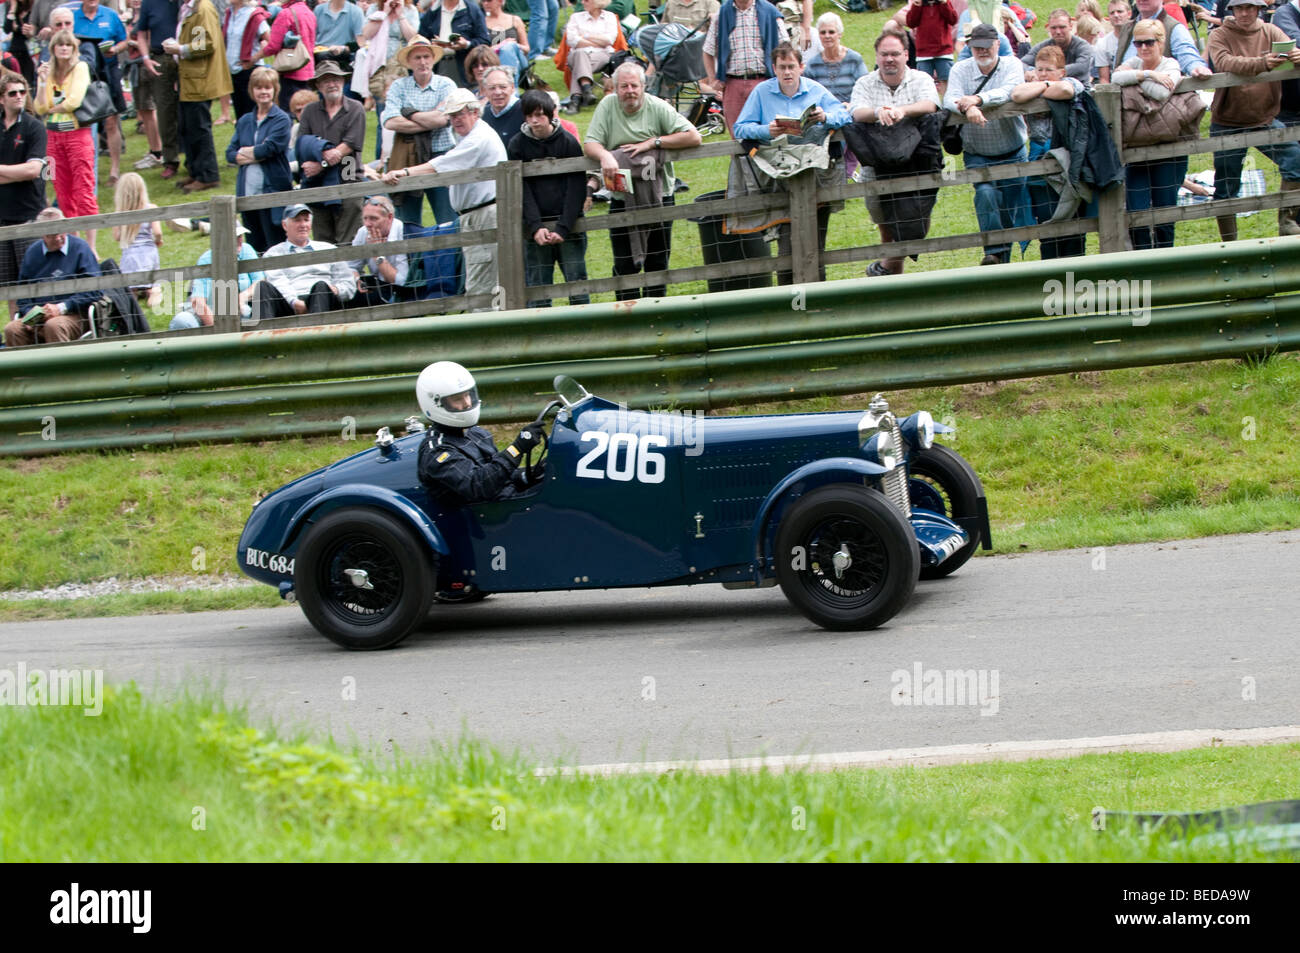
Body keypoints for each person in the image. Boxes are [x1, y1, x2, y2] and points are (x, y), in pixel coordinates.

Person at [733, 41, 850, 283]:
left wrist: (825, 116)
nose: (787, 72)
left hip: (815, 175)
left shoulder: (816, 90)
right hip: (779, 177)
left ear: (801, 67)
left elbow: (845, 115)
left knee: (816, 243)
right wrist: (768, 130)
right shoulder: (761, 92)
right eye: (782, 67)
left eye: (791, 67)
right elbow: (740, 128)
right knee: (787, 247)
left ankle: (818, 302)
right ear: (774, 68)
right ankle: (790, 302)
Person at [583, 61, 701, 299]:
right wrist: (605, 155)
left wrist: (653, 143)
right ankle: (628, 318)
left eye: (634, 85)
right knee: (624, 263)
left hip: (660, 196)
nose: (630, 91)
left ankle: (656, 315)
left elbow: (693, 136)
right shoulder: (607, 106)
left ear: (643, 86)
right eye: (624, 86)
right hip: (621, 197)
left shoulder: (657, 107)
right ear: (616, 89)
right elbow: (590, 143)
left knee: (657, 261)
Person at [383, 88, 504, 308]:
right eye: (452, 115)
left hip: (484, 214)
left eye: (461, 113)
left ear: (475, 112)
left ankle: (485, 332)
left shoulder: (478, 138)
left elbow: (443, 164)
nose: (456, 120)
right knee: (482, 277)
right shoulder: (471, 136)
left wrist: (407, 172)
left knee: (481, 281)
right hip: (476, 215)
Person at [849, 31, 942, 276]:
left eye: (895, 54)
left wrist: (901, 111)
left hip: (917, 161)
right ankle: (892, 275)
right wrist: (879, 111)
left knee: (916, 214)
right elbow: (857, 112)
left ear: (906, 55)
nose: (890, 59)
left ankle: (886, 266)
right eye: (884, 54)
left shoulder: (920, 78)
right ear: (877, 56)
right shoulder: (865, 83)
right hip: (877, 162)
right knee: (881, 216)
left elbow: (931, 104)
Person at [1206, 0, 1300, 240]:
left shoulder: (1270, 31)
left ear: (1259, 9)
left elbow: (1289, 49)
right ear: (1232, 11)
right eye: (1239, 8)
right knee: (1226, 186)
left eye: (1250, 7)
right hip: (1228, 123)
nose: (1245, 13)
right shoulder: (1219, 35)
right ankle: (1230, 245)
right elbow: (1224, 62)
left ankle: (1287, 223)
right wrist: (1263, 63)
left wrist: (1297, 56)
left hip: (1265, 118)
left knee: (1296, 163)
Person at [943, 22, 1031, 265]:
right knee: (985, 195)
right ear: (970, 46)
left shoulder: (1012, 64)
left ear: (996, 45)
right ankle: (992, 255)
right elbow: (949, 99)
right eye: (976, 47)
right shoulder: (960, 69)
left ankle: (999, 261)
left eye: (986, 47)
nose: (982, 51)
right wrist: (968, 106)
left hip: (1012, 150)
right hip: (977, 152)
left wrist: (978, 99)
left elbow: (1009, 91)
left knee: (1008, 211)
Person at [415, 360, 545, 506]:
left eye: (467, 395)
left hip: (506, 502)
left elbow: (498, 474)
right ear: (436, 404)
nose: (467, 403)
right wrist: (517, 449)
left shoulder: (475, 433)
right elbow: (478, 485)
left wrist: (533, 472)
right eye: (458, 399)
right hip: (485, 518)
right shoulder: (437, 451)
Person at [507, 88, 590, 307]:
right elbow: (520, 188)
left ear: (551, 114)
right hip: (536, 228)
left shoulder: (568, 142)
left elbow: (576, 186)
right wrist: (535, 226)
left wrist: (564, 226)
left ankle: (586, 329)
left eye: (539, 115)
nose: (534, 121)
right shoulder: (517, 145)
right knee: (538, 287)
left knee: (577, 281)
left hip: (569, 226)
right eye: (529, 116)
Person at [1112, 18, 1188, 249]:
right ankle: (1142, 260)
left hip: (1168, 149)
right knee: (1137, 211)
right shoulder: (1136, 63)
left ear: (1161, 42)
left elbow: (1160, 94)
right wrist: (1148, 75)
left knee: (1165, 211)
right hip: (1136, 150)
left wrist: (1135, 78)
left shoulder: (1171, 65)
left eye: (1149, 42)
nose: (1143, 48)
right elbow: (1115, 78)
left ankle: (1165, 261)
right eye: (1138, 43)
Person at [1011, 43, 1087, 258]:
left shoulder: (1071, 82)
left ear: (1061, 72)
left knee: (1073, 221)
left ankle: (1076, 275)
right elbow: (1017, 95)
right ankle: (1051, 276)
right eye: (1039, 69)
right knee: (1047, 220)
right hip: (1039, 161)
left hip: (1069, 163)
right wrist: (1046, 84)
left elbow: (1064, 90)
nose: (1043, 73)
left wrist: (1040, 86)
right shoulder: (1030, 88)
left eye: (1049, 70)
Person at [381, 36, 459, 227]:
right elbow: (390, 121)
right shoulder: (399, 86)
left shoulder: (446, 84)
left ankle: (449, 256)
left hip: (441, 153)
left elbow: (445, 118)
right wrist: (431, 120)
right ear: (409, 62)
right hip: (408, 155)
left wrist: (409, 113)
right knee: (407, 220)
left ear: (433, 58)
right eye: (417, 58)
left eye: (426, 56)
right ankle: (413, 257)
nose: (422, 62)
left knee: (447, 217)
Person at [33, 29, 98, 252]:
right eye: (59, 45)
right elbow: (39, 107)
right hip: (53, 136)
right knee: (62, 190)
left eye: (68, 45)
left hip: (76, 134)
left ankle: (91, 246)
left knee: (84, 189)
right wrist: (42, 81)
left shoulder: (80, 67)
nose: (63, 48)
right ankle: (74, 242)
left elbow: (74, 101)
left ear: (73, 48)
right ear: (52, 48)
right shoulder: (48, 71)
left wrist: (52, 108)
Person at [3, 207, 100, 346]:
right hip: (40, 316)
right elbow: (23, 293)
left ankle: (61, 367)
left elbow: (95, 290)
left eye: (61, 232)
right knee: (12, 329)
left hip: (73, 313)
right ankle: (25, 367)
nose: (59, 238)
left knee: (53, 325)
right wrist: (31, 315)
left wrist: (61, 307)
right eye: (52, 235)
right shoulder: (32, 252)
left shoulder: (80, 248)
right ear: (42, 235)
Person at [162, 0, 231, 193]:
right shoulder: (191, 8)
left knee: (199, 129)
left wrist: (179, 49)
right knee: (188, 128)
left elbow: (206, 45)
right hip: (190, 79)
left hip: (199, 80)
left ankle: (208, 175)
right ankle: (195, 171)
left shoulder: (203, 8)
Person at [297, 59, 367, 244]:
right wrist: (321, 162)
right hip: (318, 183)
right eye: (326, 80)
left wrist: (322, 164)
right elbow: (302, 143)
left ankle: (349, 273)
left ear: (343, 82)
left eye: (336, 79)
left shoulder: (355, 108)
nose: (332, 84)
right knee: (322, 242)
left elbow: (350, 144)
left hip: (348, 175)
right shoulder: (309, 111)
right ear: (318, 86)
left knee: (348, 240)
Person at [251, 204, 358, 319]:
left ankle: (317, 334)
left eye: (306, 220)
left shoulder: (328, 249)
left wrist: (337, 289)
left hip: (324, 302)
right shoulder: (273, 253)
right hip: (289, 304)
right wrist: (294, 302)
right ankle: (264, 335)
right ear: (284, 225)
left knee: (321, 286)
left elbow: (348, 284)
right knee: (262, 287)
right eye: (297, 220)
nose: (303, 225)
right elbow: (278, 281)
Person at [227, 66, 292, 253]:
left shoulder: (281, 119)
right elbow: (230, 153)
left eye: (267, 87)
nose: (263, 92)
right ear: (252, 90)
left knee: (274, 245)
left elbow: (270, 148)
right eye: (259, 88)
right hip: (247, 192)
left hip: (272, 192)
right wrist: (255, 153)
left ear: (274, 90)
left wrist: (247, 153)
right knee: (254, 245)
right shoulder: (245, 120)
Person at [0, 71, 47, 322]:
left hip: (27, 214)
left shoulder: (34, 127)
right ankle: (15, 331)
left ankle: (35, 332)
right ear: (1, 99)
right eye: (12, 93)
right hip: (1, 218)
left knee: (30, 281)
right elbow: (23, 170)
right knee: (7, 285)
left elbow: (33, 170)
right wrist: (13, 173)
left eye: (22, 92)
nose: (19, 97)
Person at [702, 0, 788, 133]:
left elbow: (785, 48)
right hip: (733, 85)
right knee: (737, 136)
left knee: (770, 132)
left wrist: (782, 79)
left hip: (765, 82)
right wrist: (713, 80)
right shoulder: (722, 14)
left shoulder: (770, 11)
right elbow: (708, 50)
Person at [69, 0, 129, 185]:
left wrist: (116, 49)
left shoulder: (109, 15)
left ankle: (114, 169)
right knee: (85, 122)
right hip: (82, 74)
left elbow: (124, 40)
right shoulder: (72, 17)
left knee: (112, 120)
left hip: (109, 72)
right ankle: (87, 169)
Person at [169, 222, 264, 329]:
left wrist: (243, 296)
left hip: (243, 310)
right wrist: (219, 330)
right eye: (235, 237)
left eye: (240, 235)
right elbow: (198, 302)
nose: (240, 240)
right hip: (210, 313)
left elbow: (260, 282)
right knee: (181, 321)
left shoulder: (246, 250)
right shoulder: (206, 260)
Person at [361, 0, 420, 160]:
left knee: (400, 113)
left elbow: (412, 37)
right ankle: (380, 159)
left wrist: (401, 16)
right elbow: (366, 34)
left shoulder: (410, 10)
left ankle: (400, 156)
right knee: (383, 114)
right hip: (379, 68)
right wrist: (384, 14)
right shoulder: (375, 9)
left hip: (400, 67)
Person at [133, 0, 182, 178]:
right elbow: (141, 33)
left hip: (186, 56)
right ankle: (170, 160)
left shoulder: (184, 3)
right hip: (161, 59)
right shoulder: (149, 3)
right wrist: (146, 58)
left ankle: (194, 159)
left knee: (191, 109)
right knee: (164, 111)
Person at [1114, 0, 1213, 78]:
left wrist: (1197, 68)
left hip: (1159, 99)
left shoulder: (1174, 28)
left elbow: (1187, 55)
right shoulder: (1126, 28)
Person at [111, 172, 164, 307]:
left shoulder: (119, 214)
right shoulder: (151, 208)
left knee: (130, 287)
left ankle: (133, 294)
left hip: (130, 256)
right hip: (148, 253)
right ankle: (153, 292)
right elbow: (157, 232)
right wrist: (158, 240)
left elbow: (116, 237)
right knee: (153, 282)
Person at [348, 194, 409, 306]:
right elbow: (351, 266)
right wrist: (356, 280)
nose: (367, 224)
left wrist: (377, 254)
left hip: (402, 292)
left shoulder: (403, 232)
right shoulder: (363, 232)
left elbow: (401, 282)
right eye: (365, 218)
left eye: (373, 218)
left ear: (390, 218)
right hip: (377, 286)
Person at [562, 0, 618, 112]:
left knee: (579, 61)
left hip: (602, 55)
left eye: (586, 0)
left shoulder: (610, 17)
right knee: (580, 54)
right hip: (579, 54)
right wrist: (598, 41)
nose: (582, 2)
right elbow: (572, 40)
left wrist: (585, 36)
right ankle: (586, 91)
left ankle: (576, 99)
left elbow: (609, 39)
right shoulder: (576, 17)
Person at [419, 0, 491, 86]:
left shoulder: (472, 9)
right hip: (438, 65)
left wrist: (466, 44)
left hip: (465, 66)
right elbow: (421, 40)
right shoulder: (433, 11)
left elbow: (485, 41)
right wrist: (432, 45)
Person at [262, 0, 317, 110]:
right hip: (308, 70)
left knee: (287, 112)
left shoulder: (285, 14)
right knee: (306, 114)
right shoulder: (310, 13)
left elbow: (273, 46)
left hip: (290, 70)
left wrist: (259, 53)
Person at [802, 13, 866, 104]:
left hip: (850, 111)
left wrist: (852, 105)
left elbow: (864, 89)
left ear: (840, 34)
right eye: (823, 32)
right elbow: (807, 95)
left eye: (831, 32)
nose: (827, 36)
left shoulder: (854, 59)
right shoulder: (813, 64)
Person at [1021, 8, 1097, 85]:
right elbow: (1022, 63)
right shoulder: (1043, 46)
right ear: (1048, 28)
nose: (1058, 32)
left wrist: (1052, 72)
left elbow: (1081, 67)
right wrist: (1029, 72)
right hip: (1048, 89)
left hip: (1079, 91)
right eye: (1053, 28)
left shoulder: (1083, 46)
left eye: (1062, 27)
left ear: (1071, 26)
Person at [223, 0, 271, 119]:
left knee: (251, 115)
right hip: (233, 71)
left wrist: (253, 59)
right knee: (240, 116)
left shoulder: (254, 15)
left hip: (250, 72)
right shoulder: (229, 13)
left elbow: (271, 42)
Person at [904, 0, 958, 97]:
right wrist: (916, 6)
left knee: (947, 80)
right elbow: (911, 22)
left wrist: (944, 4)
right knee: (923, 82)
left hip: (943, 51)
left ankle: (947, 105)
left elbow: (953, 19)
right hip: (924, 53)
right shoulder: (918, 4)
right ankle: (928, 105)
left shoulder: (944, 3)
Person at [481, 0, 531, 79]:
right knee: (506, 49)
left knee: (508, 49)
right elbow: (481, 51)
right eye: (483, 1)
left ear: (500, 1)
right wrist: (501, 45)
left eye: (489, 0)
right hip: (493, 62)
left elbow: (526, 48)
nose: (485, 4)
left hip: (517, 60)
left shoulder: (515, 20)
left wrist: (512, 45)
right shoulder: (482, 23)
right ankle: (512, 86)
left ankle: (508, 81)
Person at [480, 64, 524, 146]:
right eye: (492, 88)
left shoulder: (525, 110)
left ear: (512, 88)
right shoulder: (483, 115)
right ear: (485, 90)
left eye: (503, 87)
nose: (498, 92)